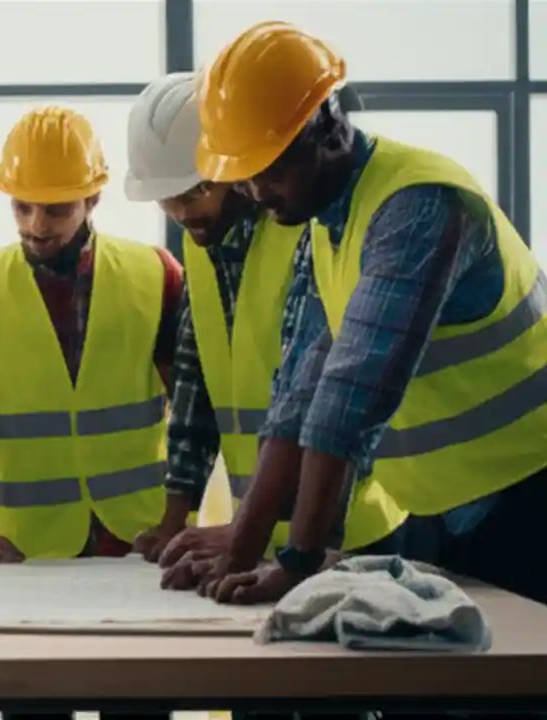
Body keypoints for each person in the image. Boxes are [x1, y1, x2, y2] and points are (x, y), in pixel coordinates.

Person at [182, 20, 547, 609]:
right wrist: (243, 548)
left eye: (269, 168)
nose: (254, 191)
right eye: (242, 174)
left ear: (327, 128)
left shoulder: (418, 206)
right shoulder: (327, 223)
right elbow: (298, 393)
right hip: (447, 512)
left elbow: (352, 395)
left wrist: (298, 560)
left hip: (528, 495)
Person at [121, 73, 408, 576]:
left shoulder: (305, 231)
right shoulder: (201, 246)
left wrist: (305, 548)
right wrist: (174, 518)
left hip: (348, 527)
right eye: (167, 200)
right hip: (257, 529)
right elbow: (195, 391)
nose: (181, 213)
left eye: (195, 193)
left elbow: (326, 395)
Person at [0, 104, 183, 567]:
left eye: (55, 209)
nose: (36, 225)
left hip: (139, 539)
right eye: (22, 207)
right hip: (24, 551)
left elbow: (192, 414)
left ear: (93, 199)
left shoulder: (156, 275)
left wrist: (175, 521)